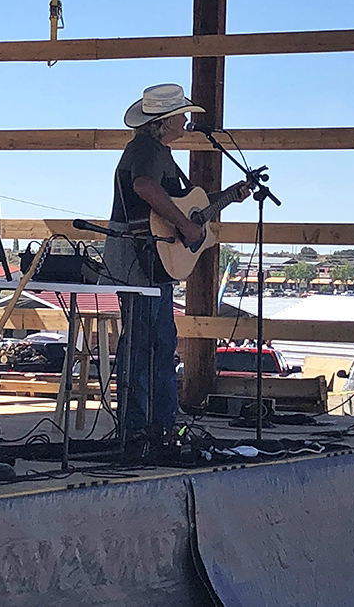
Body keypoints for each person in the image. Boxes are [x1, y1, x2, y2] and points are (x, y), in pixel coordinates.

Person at [102, 83, 250, 445]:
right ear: (164, 122)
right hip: (139, 255)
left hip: (151, 258)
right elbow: (145, 188)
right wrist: (184, 225)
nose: (186, 119)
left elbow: (186, 204)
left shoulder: (158, 151)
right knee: (144, 342)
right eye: (181, 115)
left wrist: (229, 196)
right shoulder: (146, 150)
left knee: (159, 340)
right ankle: (138, 427)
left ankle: (157, 423)